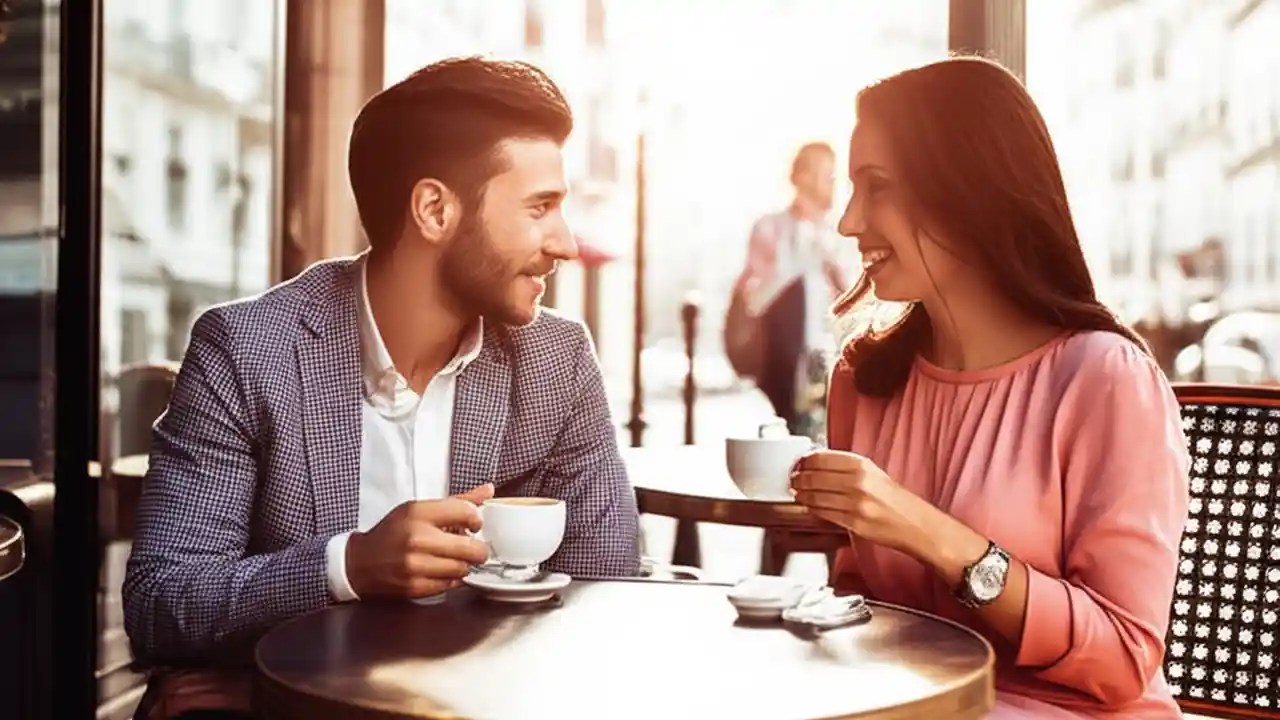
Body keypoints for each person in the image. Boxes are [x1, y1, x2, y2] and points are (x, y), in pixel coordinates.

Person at [123, 56, 641, 718]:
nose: (564, 243)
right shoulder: (248, 351)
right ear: (433, 209)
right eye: (540, 207)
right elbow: (162, 602)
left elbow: (607, 595)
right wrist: (350, 565)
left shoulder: (556, 360)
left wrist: (276, 689)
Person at [789, 57, 1189, 718]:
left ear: (967, 192)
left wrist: (931, 534)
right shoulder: (863, 381)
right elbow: (867, 607)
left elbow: (1121, 659)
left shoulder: (1105, 381)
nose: (849, 220)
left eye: (876, 186)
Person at [731, 142, 851, 438]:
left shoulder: (840, 234)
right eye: (825, 174)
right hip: (783, 364)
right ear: (800, 177)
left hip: (829, 358)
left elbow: (854, 298)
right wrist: (792, 261)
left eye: (833, 176)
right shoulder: (771, 229)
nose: (832, 184)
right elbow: (753, 299)